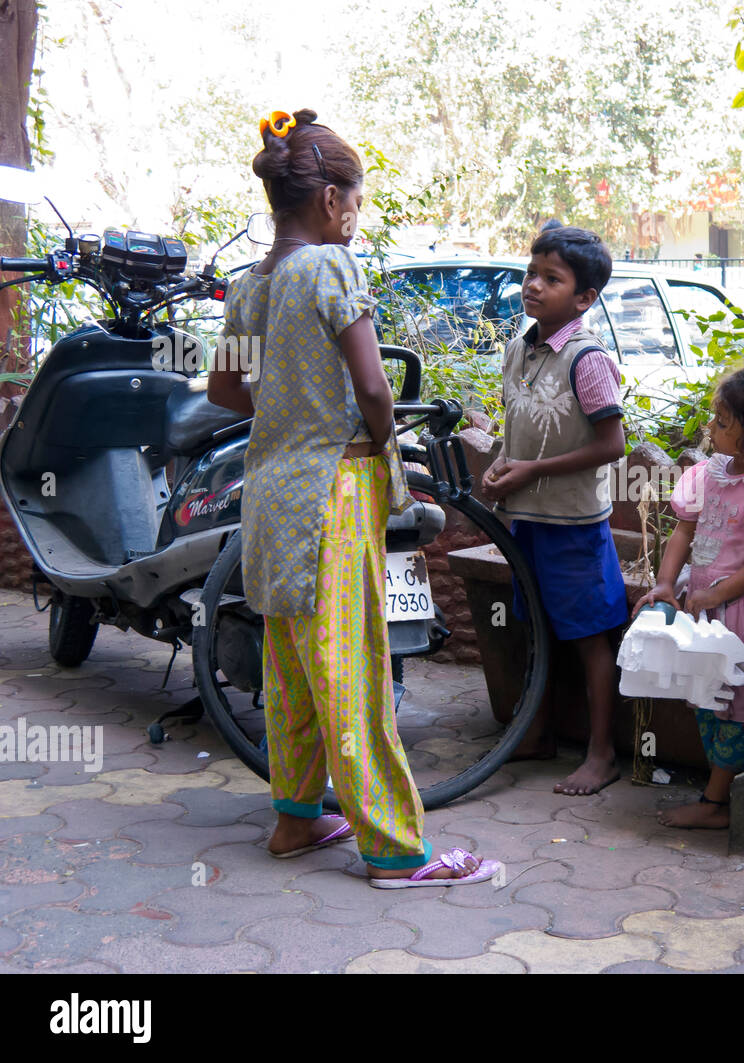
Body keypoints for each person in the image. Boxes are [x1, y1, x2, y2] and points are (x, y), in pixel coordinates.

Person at [208, 108, 497, 886]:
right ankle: (398, 849)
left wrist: (288, 407)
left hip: (268, 491)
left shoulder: (251, 285)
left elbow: (225, 388)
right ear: (331, 198)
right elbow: (374, 384)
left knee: (294, 667)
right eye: (356, 203)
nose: (354, 219)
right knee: (353, 670)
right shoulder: (330, 269)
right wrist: (378, 431)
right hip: (334, 488)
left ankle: (294, 823)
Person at [480, 226, 628, 796]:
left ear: (584, 297)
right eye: (531, 274)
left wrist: (533, 471)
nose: (533, 287)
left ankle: (601, 753)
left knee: (590, 637)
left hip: (573, 525)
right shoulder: (520, 348)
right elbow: (518, 427)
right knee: (535, 626)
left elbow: (612, 446)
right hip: (528, 522)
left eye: (552, 279)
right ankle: (536, 733)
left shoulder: (585, 359)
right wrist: (500, 465)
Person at [632, 363, 744, 828]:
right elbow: (684, 530)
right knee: (713, 702)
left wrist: (716, 594)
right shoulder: (710, 472)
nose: (711, 427)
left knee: (733, 708)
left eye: (723, 422)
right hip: (707, 612)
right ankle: (742, 785)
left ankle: (717, 804)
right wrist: (667, 583)